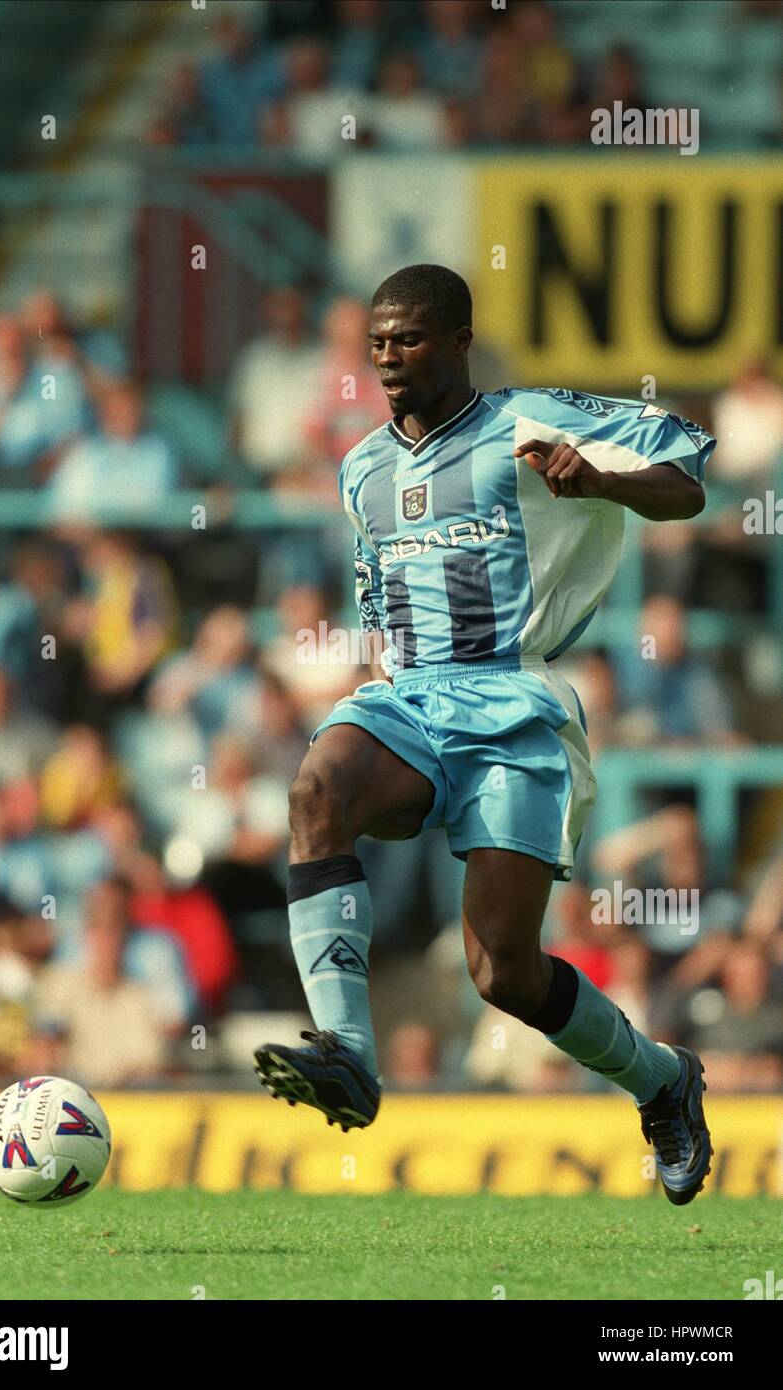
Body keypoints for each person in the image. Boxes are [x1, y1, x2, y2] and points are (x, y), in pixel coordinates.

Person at [255, 263, 715, 1207]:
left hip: (515, 706)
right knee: (316, 792)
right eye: (378, 342)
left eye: (409, 339)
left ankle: (663, 1082)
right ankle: (347, 1051)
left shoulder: (532, 420)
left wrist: (602, 480)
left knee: (502, 972)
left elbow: (687, 486)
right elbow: (379, 600)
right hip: (411, 696)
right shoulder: (360, 470)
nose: (389, 358)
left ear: (460, 341)